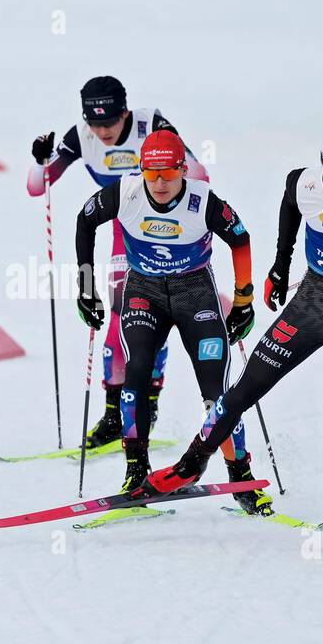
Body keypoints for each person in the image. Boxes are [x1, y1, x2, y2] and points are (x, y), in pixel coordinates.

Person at [139, 122, 323, 552]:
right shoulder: (304, 182)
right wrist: (280, 266)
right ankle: (191, 465)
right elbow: (289, 208)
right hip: (313, 300)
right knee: (246, 386)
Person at [74, 129, 259, 508]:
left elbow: (240, 240)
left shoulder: (203, 200)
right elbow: (85, 221)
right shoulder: (125, 192)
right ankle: (136, 470)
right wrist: (86, 287)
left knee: (215, 391)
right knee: (137, 371)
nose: (159, 183)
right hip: (145, 292)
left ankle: (240, 474)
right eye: (151, 173)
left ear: (183, 170)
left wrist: (244, 301)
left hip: (196, 294)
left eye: (168, 174)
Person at [30, 76, 209, 448]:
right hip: (120, 232)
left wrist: (155, 179)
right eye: (95, 124)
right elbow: (38, 186)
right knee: (119, 317)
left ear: (125, 113)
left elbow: (199, 175)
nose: (103, 131)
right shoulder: (82, 137)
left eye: (109, 123)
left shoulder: (152, 126)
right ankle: (114, 414)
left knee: (155, 315)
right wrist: (39, 161)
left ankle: (150, 402)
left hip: (165, 231)